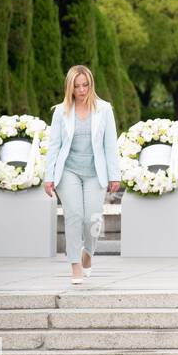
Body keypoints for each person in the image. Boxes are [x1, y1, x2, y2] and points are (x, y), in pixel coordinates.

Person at [43, 65, 122, 284]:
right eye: (77, 86)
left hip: (95, 173)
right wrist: (48, 176)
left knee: (93, 218)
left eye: (85, 85)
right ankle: (75, 265)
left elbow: (110, 146)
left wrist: (114, 175)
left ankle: (88, 253)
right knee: (74, 215)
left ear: (91, 84)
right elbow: (54, 146)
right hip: (68, 172)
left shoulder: (104, 109)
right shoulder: (61, 111)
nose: (82, 90)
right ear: (70, 87)